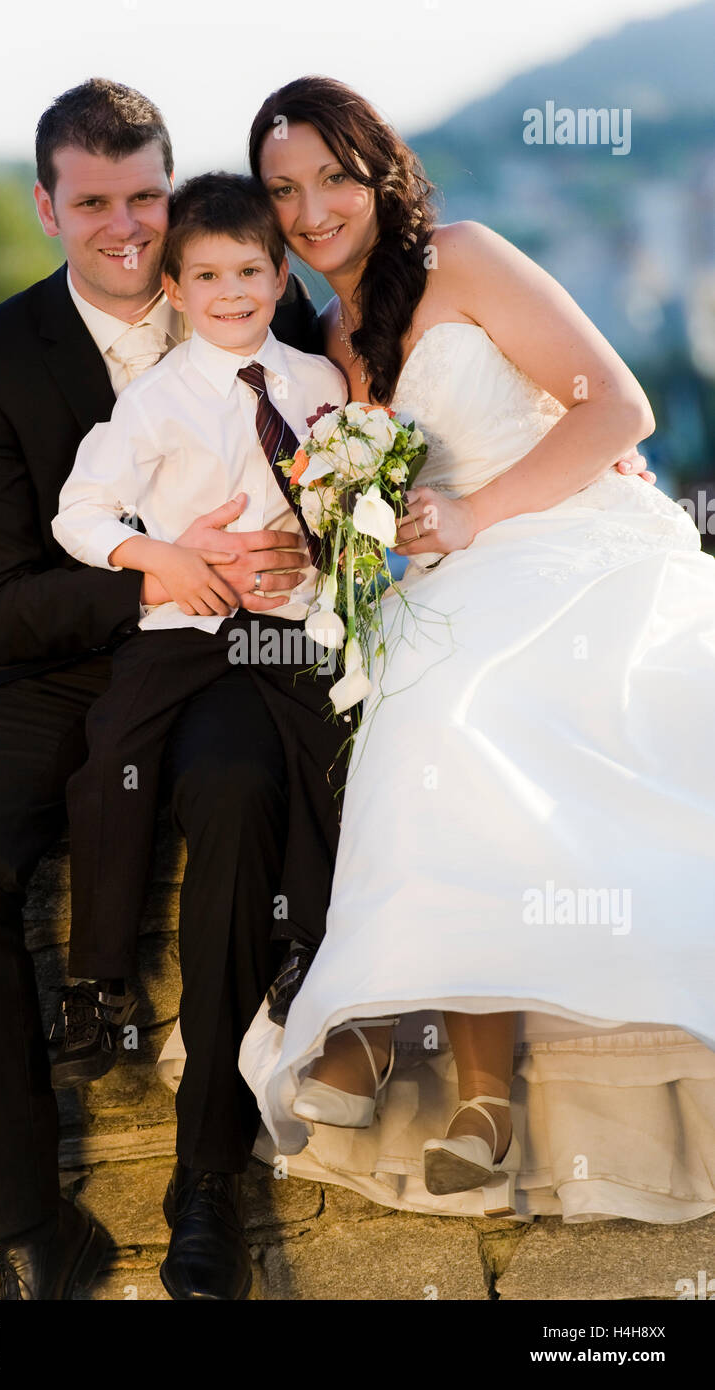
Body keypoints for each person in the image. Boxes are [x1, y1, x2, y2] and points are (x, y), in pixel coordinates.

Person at [237, 76, 715, 1225]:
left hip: (567, 530)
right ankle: (446, 1069)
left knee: (448, 704)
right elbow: (371, 509)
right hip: (453, 571)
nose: (310, 212)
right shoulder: (325, 338)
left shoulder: (468, 254)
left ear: (378, 172)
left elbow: (621, 412)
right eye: (283, 192)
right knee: (401, 695)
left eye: (332, 179)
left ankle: (418, 1052)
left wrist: (473, 516)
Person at [0, 77, 325, 1302]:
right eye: (93, 202)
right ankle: (30, 1224)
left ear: (176, 190)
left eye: (145, 194)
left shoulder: (254, 321)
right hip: (43, 664)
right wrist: (162, 571)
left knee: (244, 787)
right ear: (47, 206)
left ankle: (208, 1180)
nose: (125, 226)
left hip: (222, 653)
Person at [52, 171, 349, 1299]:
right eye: (208, 276)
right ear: (173, 287)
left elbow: (349, 511)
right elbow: (81, 513)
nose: (232, 292)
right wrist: (164, 554)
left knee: (330, 759)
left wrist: (323, 550)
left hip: (288, 640)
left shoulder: (318, 382)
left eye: (252, 273)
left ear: (284, 276)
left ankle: (302, 944)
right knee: (129, 763)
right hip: (188, 634)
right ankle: (100, 977)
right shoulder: (158, 400)